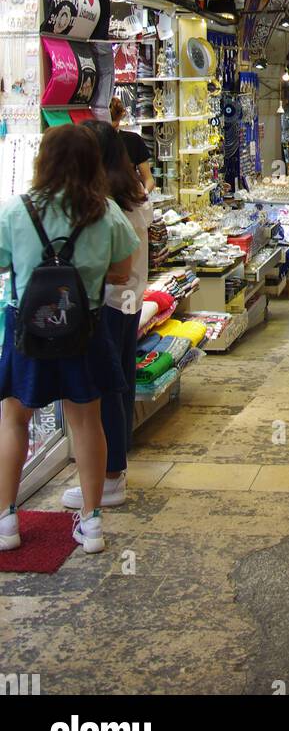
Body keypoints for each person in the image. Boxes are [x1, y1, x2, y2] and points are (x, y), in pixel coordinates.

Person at [0, 125, 138, 554]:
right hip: (87, 328)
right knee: (85, 422)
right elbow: (122, 272)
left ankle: (6, 519)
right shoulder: (106, 212)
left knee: (12, 419)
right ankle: (92, 524)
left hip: (27, 327)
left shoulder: (16, 211)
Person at [62, 122, 153, 513]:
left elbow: (111, 267)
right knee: (119, 382)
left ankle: (111, 474)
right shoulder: (132, 198)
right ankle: (115, 467)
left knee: (107, 389)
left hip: (112, 303)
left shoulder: (110, 206)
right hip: (128, 300)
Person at [110, 96, 155, 194]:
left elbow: (149, 180)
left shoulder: (133, 140)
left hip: (130, 200)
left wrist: (143, 196)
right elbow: (149, 179)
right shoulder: (95, 140)